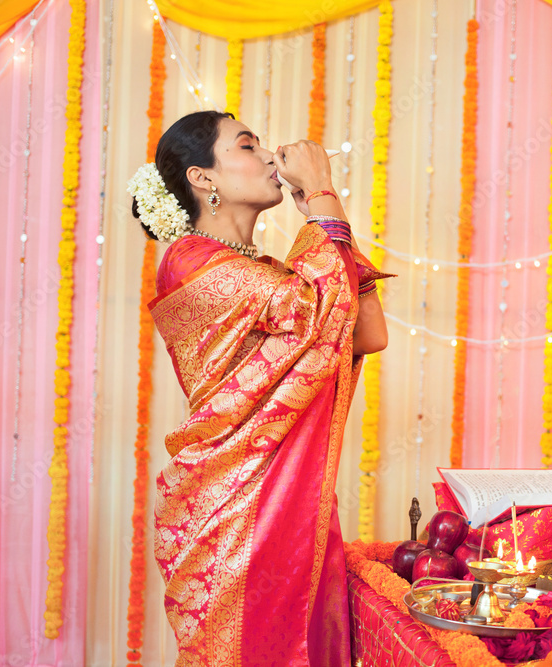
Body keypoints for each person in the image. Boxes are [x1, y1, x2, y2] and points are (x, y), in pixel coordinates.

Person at [129, 110, 390, 666]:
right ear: (204, 178)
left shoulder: (269, 272)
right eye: (247, 146)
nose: (271, 156)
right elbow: (312, 311)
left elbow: (367, 332)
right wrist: (321, 198)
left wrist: (329, 214)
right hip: (236, 508)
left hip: (289, 494)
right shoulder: (188, 261)